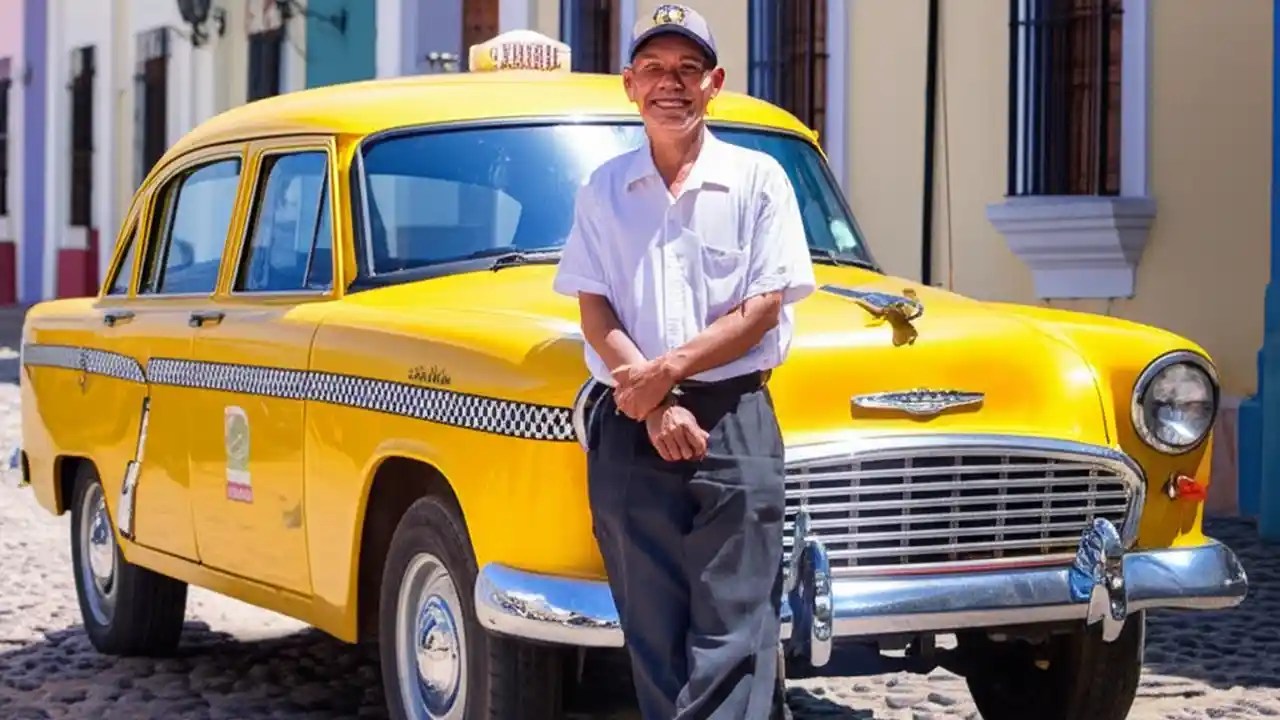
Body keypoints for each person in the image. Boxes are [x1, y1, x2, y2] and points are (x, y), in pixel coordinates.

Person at [552, 4, 817, 718]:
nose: (670, 84)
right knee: (653, 633)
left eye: (687, 69)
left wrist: (665, 375)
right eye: (654, 69)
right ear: (630, 84)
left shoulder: (758, 179)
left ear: (714, 83)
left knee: (735, 630)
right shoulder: (604, 189)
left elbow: (763, 307)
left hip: (733, 418)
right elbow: (594, 309)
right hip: (631, 423)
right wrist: (651, 399)